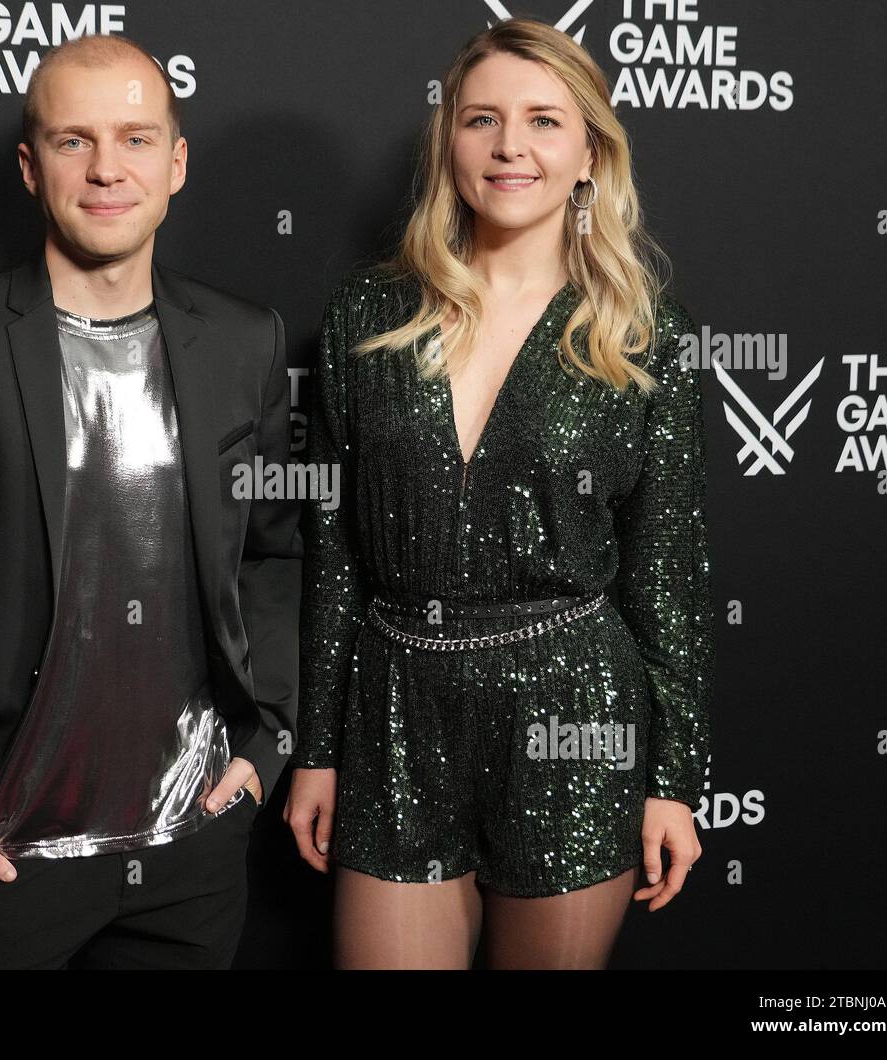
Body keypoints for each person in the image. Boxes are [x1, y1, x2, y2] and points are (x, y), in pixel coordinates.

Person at [0, 33, 302, 969]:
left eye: (135, 137)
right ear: (30, 168)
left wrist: (263, 748)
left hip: (192, 849)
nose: (108, 167)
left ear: (177, 162)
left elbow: (274, 554)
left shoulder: (245, 342)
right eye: (74, 141)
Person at [285, 17, 715, 969]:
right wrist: (315, 748)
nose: (510, 146)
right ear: (450, 142)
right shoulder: (368, 311)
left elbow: (668, 576)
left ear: (590, 152)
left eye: (543, 122)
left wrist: (675, 779)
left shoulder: (649, 337)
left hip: (573, 712)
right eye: (482, 119)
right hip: (395, 705)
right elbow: (336, 552)